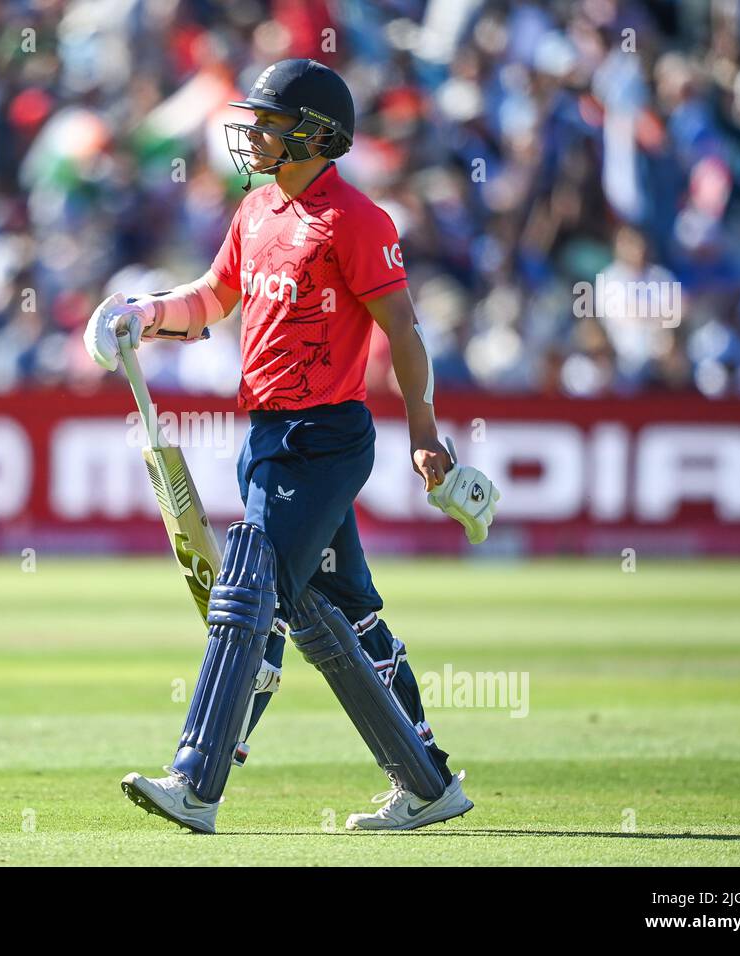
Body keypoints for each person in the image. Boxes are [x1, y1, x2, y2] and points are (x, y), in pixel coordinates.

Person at [84, 59, 501, 833]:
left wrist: (423, 429)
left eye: (272, 122)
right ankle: (427, 781)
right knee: (342, 614)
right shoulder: (257, 210)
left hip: (326, 439)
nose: (256, 135)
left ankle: (197, 779)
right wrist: (141, 316)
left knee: (250, 591)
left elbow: (402, 330)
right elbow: (212, 298)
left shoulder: (357, 220)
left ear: (315, 133)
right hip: (268, 437)